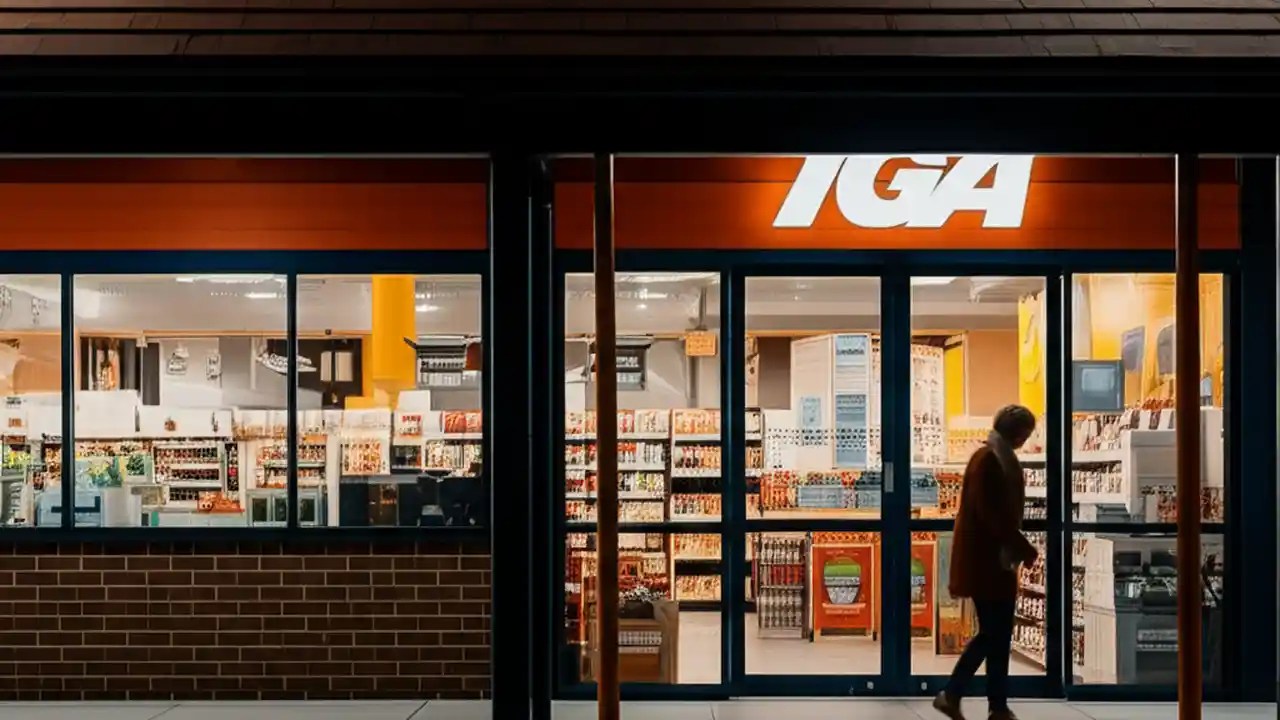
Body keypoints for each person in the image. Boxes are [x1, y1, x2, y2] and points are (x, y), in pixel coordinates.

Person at [934, 404, 1039, 720]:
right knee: (994, 634)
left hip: (991, 562)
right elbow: (994, 517)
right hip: (988, 563)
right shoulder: (990, 461)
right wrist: (1024, 547)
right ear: (1018, 433)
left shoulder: (992, 457)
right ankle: (957, 695)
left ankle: (993, 705)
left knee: (996, 634)